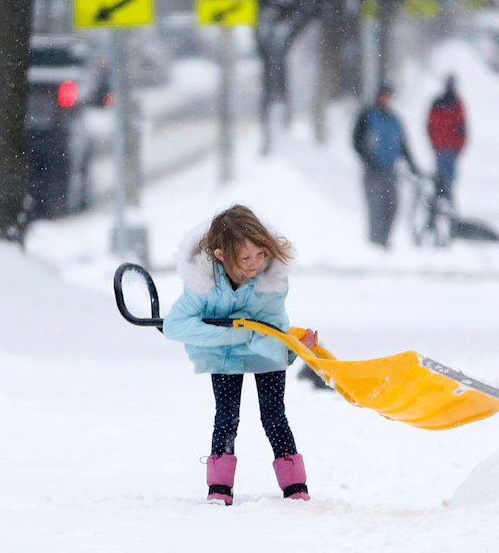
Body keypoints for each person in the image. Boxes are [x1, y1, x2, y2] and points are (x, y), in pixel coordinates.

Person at [164, 204, 320, 506]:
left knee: (274, 416)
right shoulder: (202, 284)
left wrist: (292, 348)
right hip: (224, 355)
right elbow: (175, 326)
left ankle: (295, 485)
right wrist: (232, 334)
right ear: (221, 255)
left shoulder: (271, 282)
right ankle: (219, 488)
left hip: (266, 349)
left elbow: (270, 330)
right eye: (245, 258)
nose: (255, 264)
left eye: (261, 254)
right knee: (226, 417)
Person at [353, 84, 420, 247]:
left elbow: (403, 144)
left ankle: (384, 240)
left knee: (392, 206)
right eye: (383, 95)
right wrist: (367, 159)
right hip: (373, 171)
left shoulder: (394, 119)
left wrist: (412, 165)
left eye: (388, 96)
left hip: (390, 170)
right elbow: (356, 140)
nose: (385, 99)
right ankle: (375, 243)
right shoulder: (367, 116)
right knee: (376, 207)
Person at [426, 75, 467, 206]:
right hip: (441, 147)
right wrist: (435, 142)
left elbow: (462, 127)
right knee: (441, 179)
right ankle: (439, 204)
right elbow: (431, 125)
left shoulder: (457, 103)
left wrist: (459, 145)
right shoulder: (438, 102)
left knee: (449, 179)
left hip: (451, 148)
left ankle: (445, 203)